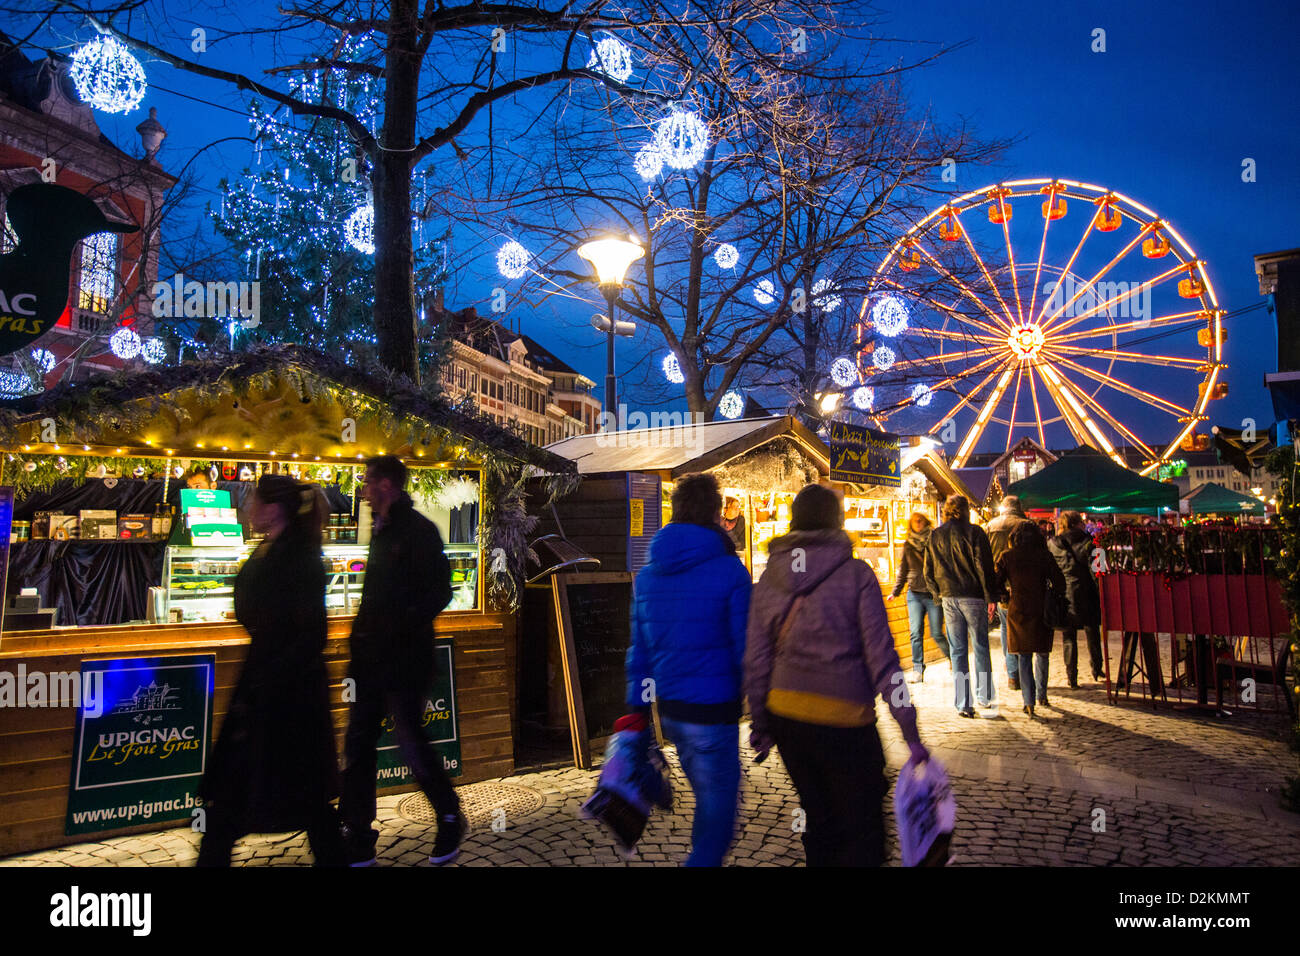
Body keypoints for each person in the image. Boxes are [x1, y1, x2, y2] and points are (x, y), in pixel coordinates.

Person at [745, 483, 930, 866]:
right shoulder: (857, 575)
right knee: (863, 829)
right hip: (845, 720)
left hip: (788, 719)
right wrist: (909, 730)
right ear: (837, 521)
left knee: (819, 818)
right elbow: (883, 659)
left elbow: (757, 657)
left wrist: (761, 723)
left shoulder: (770, 577)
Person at [197, 475, 344, 866]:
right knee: (289, 797)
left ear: (274, 509)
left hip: (283, 694)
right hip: (274, 688)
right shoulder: (276, 547)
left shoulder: (295, 556)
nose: (248, 507)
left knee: (259, 797)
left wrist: (272, 678)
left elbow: (311, 630)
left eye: (255, 500)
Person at [339, 455, 464, 866]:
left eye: (369, 482)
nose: (364, 490)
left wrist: (401, 624)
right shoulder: (382, 529)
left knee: (411, 743)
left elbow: (440, 592)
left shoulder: (418, 532)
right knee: (359, 743)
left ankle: (448, 815)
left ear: (388, 485)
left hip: (405, 658)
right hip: (371, 659)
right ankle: (357, 834)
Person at [626, 472, 751, 866]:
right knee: (719, 816)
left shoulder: (647, 576)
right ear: (715, 515)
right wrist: (760, 705)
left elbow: (639, 652)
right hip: (714, 713)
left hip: (672, 712)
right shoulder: (731, 571)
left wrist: (635, 711)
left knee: (709, 801)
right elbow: (746, 647)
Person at [923, 495, 999, 717]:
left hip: (948, 597)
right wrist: (990, 597)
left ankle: (964, 703)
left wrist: (938, 595)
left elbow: (927, 571)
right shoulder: (975, 533)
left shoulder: (935, 535)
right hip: (973, 595)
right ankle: (984, 696)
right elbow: (983, 567)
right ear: (965, 510)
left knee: (957, 651)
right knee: (981, 647)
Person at [995, 521, 1066, 716]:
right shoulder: (1044, 556)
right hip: (1042, 608)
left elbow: (996, 582)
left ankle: (1028, 701)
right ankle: (1042, 695)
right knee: (1042, 653)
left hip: (1018, 610)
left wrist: (1005, 597)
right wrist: (1052, 594)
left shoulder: (1007, 557)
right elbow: (1060, 582)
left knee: (1024, 656)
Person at [889, 511, 949, 682]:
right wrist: (895, 591)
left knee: (937, 632)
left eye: (920, 521)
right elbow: (903, 570)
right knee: (915, 633)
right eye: (915, 521)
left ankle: (953, 658)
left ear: (925, 522)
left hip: (932, 593)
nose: (917, 524)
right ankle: (918, 668)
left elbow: (942, 565)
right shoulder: (908, 544)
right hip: (914, 593)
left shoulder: (934, 540)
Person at [1048, 510, 1105, 686]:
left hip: (1064, 594)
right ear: (1077, 523)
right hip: (1087, 593)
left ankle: (1071, 676)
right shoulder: (1091, 543)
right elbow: (1099, 571)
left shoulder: (1052, 543)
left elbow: (1051, 570)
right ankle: (1097, 668)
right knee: (1092, 632)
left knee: (1068, 636)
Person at [984, 495, 1034, 692]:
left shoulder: (991, 525)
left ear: (1003, 508)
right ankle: (1024, 670)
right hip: (1024, 584)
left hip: (1001, 583)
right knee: (1024, 627)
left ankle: (1012, 674)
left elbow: (986, 556)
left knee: (1006, 627)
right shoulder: (1027, 525)